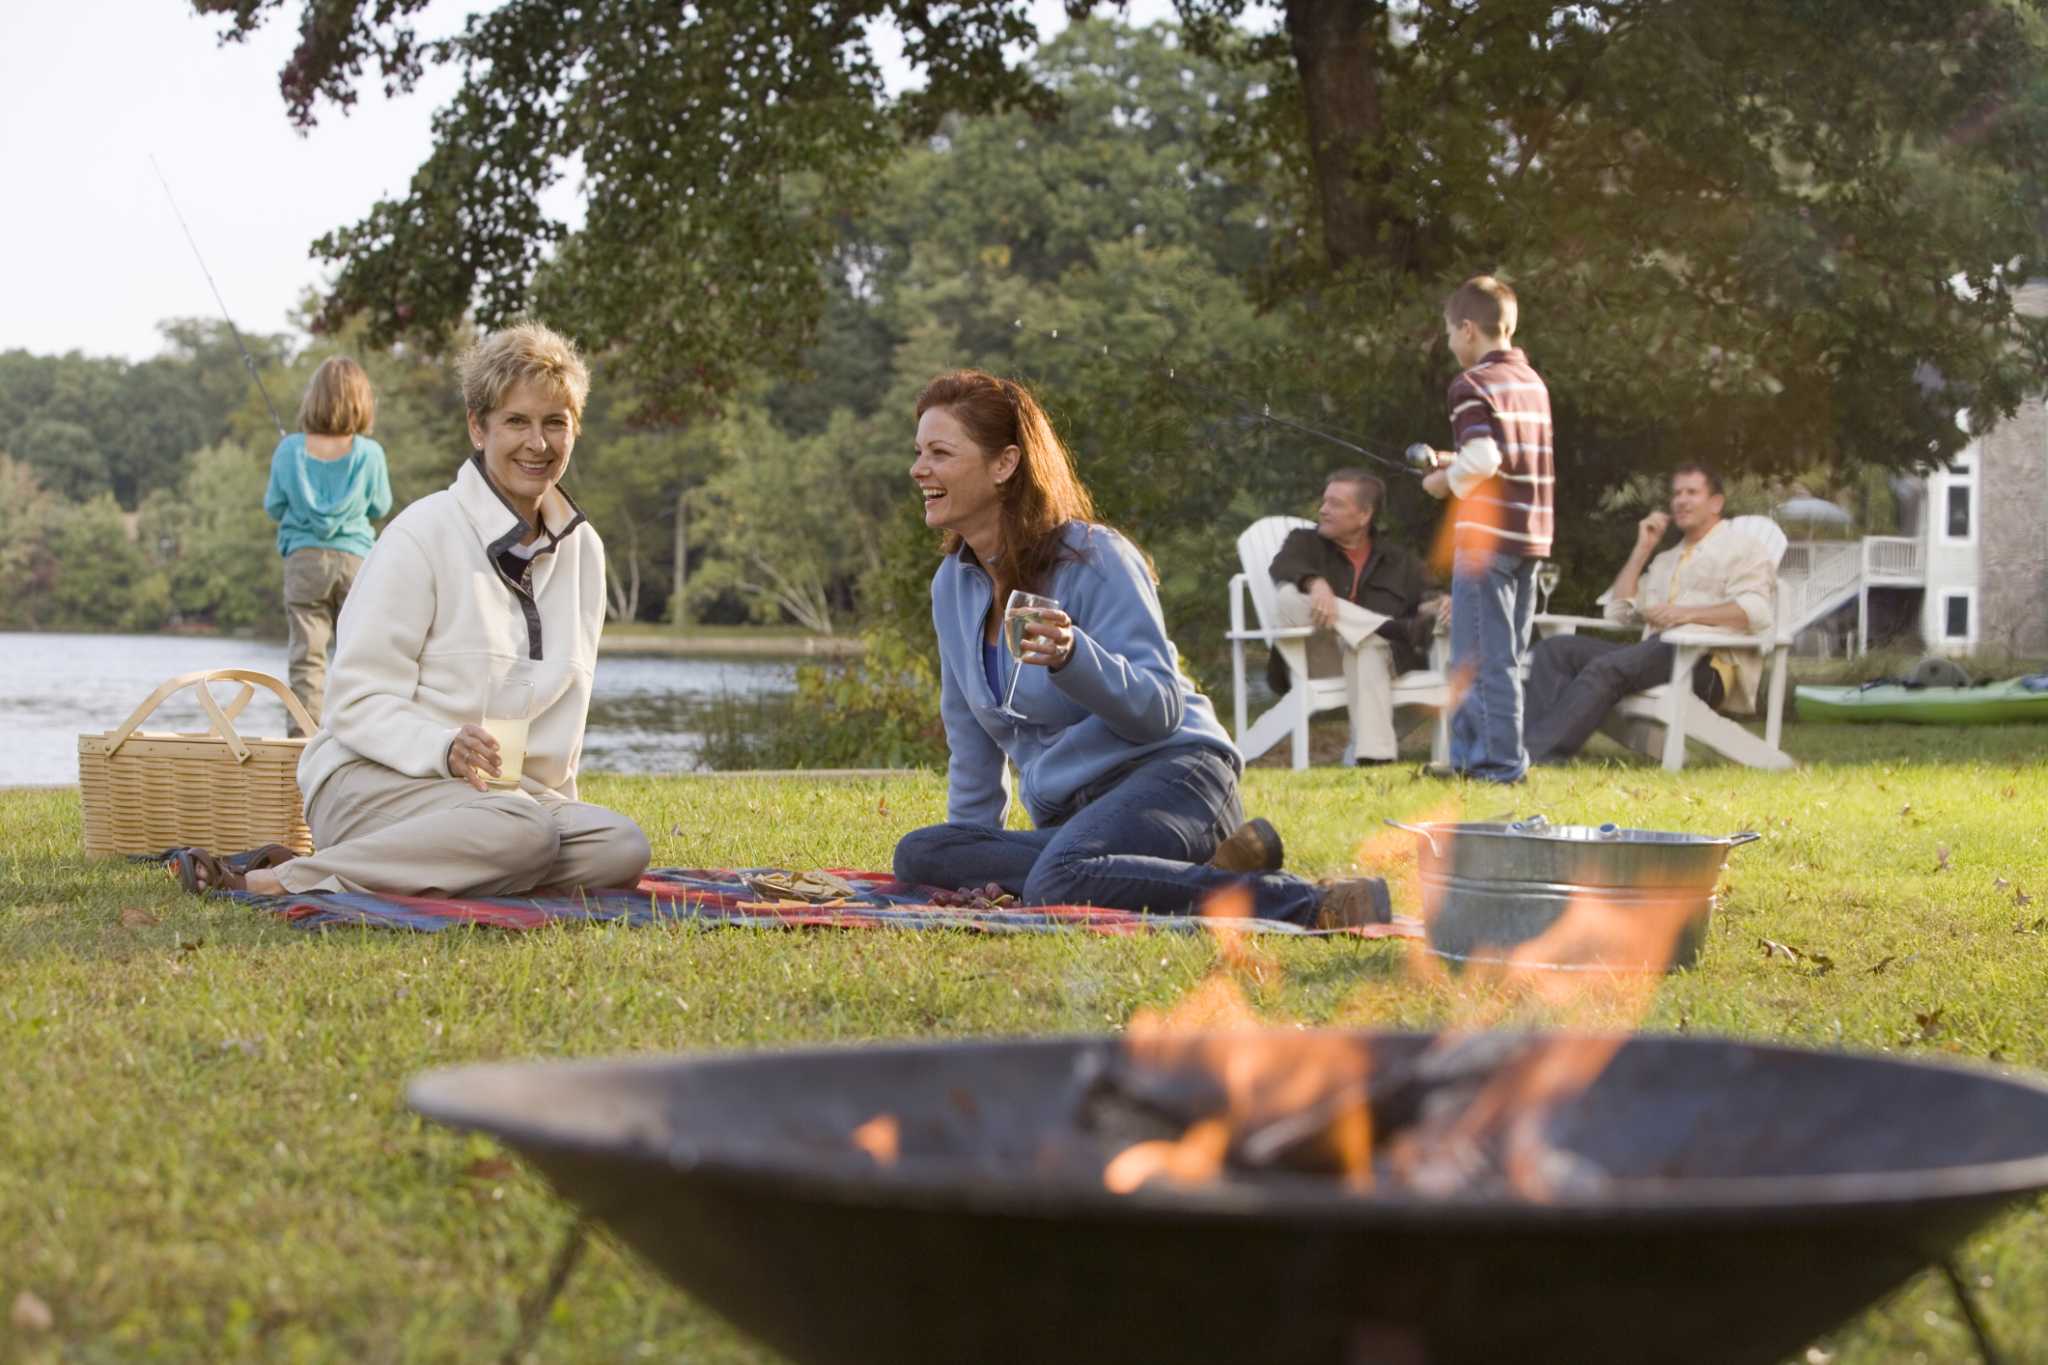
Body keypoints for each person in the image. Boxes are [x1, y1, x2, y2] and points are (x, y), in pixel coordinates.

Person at [890, 369, 1390, 929]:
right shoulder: (952, 586)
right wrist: (968, 868)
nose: (919, 469)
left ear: (1004, 464)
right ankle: (1192, 872)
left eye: (940, 452)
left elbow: (1160, 710)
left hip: (1175, 777)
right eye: (918, 452)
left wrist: (1073, 657)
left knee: (1058, 880)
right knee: (921, 856)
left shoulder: (1095, 557)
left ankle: (1313, 902)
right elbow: (972, 746)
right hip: (1079, 816)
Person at [169, 322, 650, 899]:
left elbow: (563, 724)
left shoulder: (584, 551)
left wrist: (549, 811)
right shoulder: (420, 533)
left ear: (575, 430)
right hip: (369, 779)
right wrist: (442, 747)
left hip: (504, 802)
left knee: (620, 846)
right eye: (516, 421)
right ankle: (277, 880)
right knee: (523, 832)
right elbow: (354, 701)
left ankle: (453, 861)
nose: (538, 443)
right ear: (478, 427)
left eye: (555, 422)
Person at [1523, 463, 1774, 763]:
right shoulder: (1667, 559)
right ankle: (1522, 748)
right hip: (1653, 655)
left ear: (1716, 503)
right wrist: (1643, 548)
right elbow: (1619, 613)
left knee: (1607, 668)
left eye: (1692, 492)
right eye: (1677, 493)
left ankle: (1537, 755)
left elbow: (1756, 612)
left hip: (1705, 664)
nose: (1681, 500)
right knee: (1555, 650)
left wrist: (1685, 614)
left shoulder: (1743, 549)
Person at [1418, 275, 1554, 783]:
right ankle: (1468, 760)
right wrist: (1453, 460)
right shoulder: (1531, 383)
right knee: (1503, 655)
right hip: (1530, 536)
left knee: (1476, 658)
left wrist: (1443, 482)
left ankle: (1497, 764)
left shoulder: (1470, 384)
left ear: (1468, 329)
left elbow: (1484, 458)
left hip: (1486, 540)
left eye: (1449, 332)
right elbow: (1507, 457)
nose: (1450, 342)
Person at [1266, 470, 1443, 765]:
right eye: (1324, 501)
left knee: (1368, 646)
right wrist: (1314, 582)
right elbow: (1283, 566)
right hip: (1316, 660)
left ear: (1364, 515)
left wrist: (1441, 601)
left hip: (1376, 662)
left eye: (1335, 504)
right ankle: (1384, 628)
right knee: (1288, 597)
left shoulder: (1398, 560)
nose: (1323, 510)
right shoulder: (1304, 541)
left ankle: (1374, 758)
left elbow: (1431, 595)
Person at [263, 356, 394, 734]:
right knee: (359, 655)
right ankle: (359, 737)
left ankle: (303, 744)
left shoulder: (289, 450)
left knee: (307, 658)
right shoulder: (369, 453)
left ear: (313, 398)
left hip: (304, 561)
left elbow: (273, 506)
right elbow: (380, 505)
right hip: (356, 561)